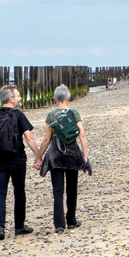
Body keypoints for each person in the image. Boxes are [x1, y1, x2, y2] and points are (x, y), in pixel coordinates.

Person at [0, 85, 39, 240]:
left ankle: (0, 227)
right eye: (18, 96)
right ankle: (19, 227)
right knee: (19, 192)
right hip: (17, 160)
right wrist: (39, 155)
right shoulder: (18, 115)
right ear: (11, 99)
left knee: (0, 193)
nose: (20, 98)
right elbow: (29, 138)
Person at [34, 84, 90, 234]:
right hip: (72, 153)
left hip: (55, 155)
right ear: (68, 98)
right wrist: (84, 155)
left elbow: (46, 140)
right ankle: (71, 220)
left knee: (58, 190)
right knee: (72, 188)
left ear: (55, 98)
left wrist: (38, 158)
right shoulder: (74, 113)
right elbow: (82, 134)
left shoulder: (51, 115)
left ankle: (59, 224)